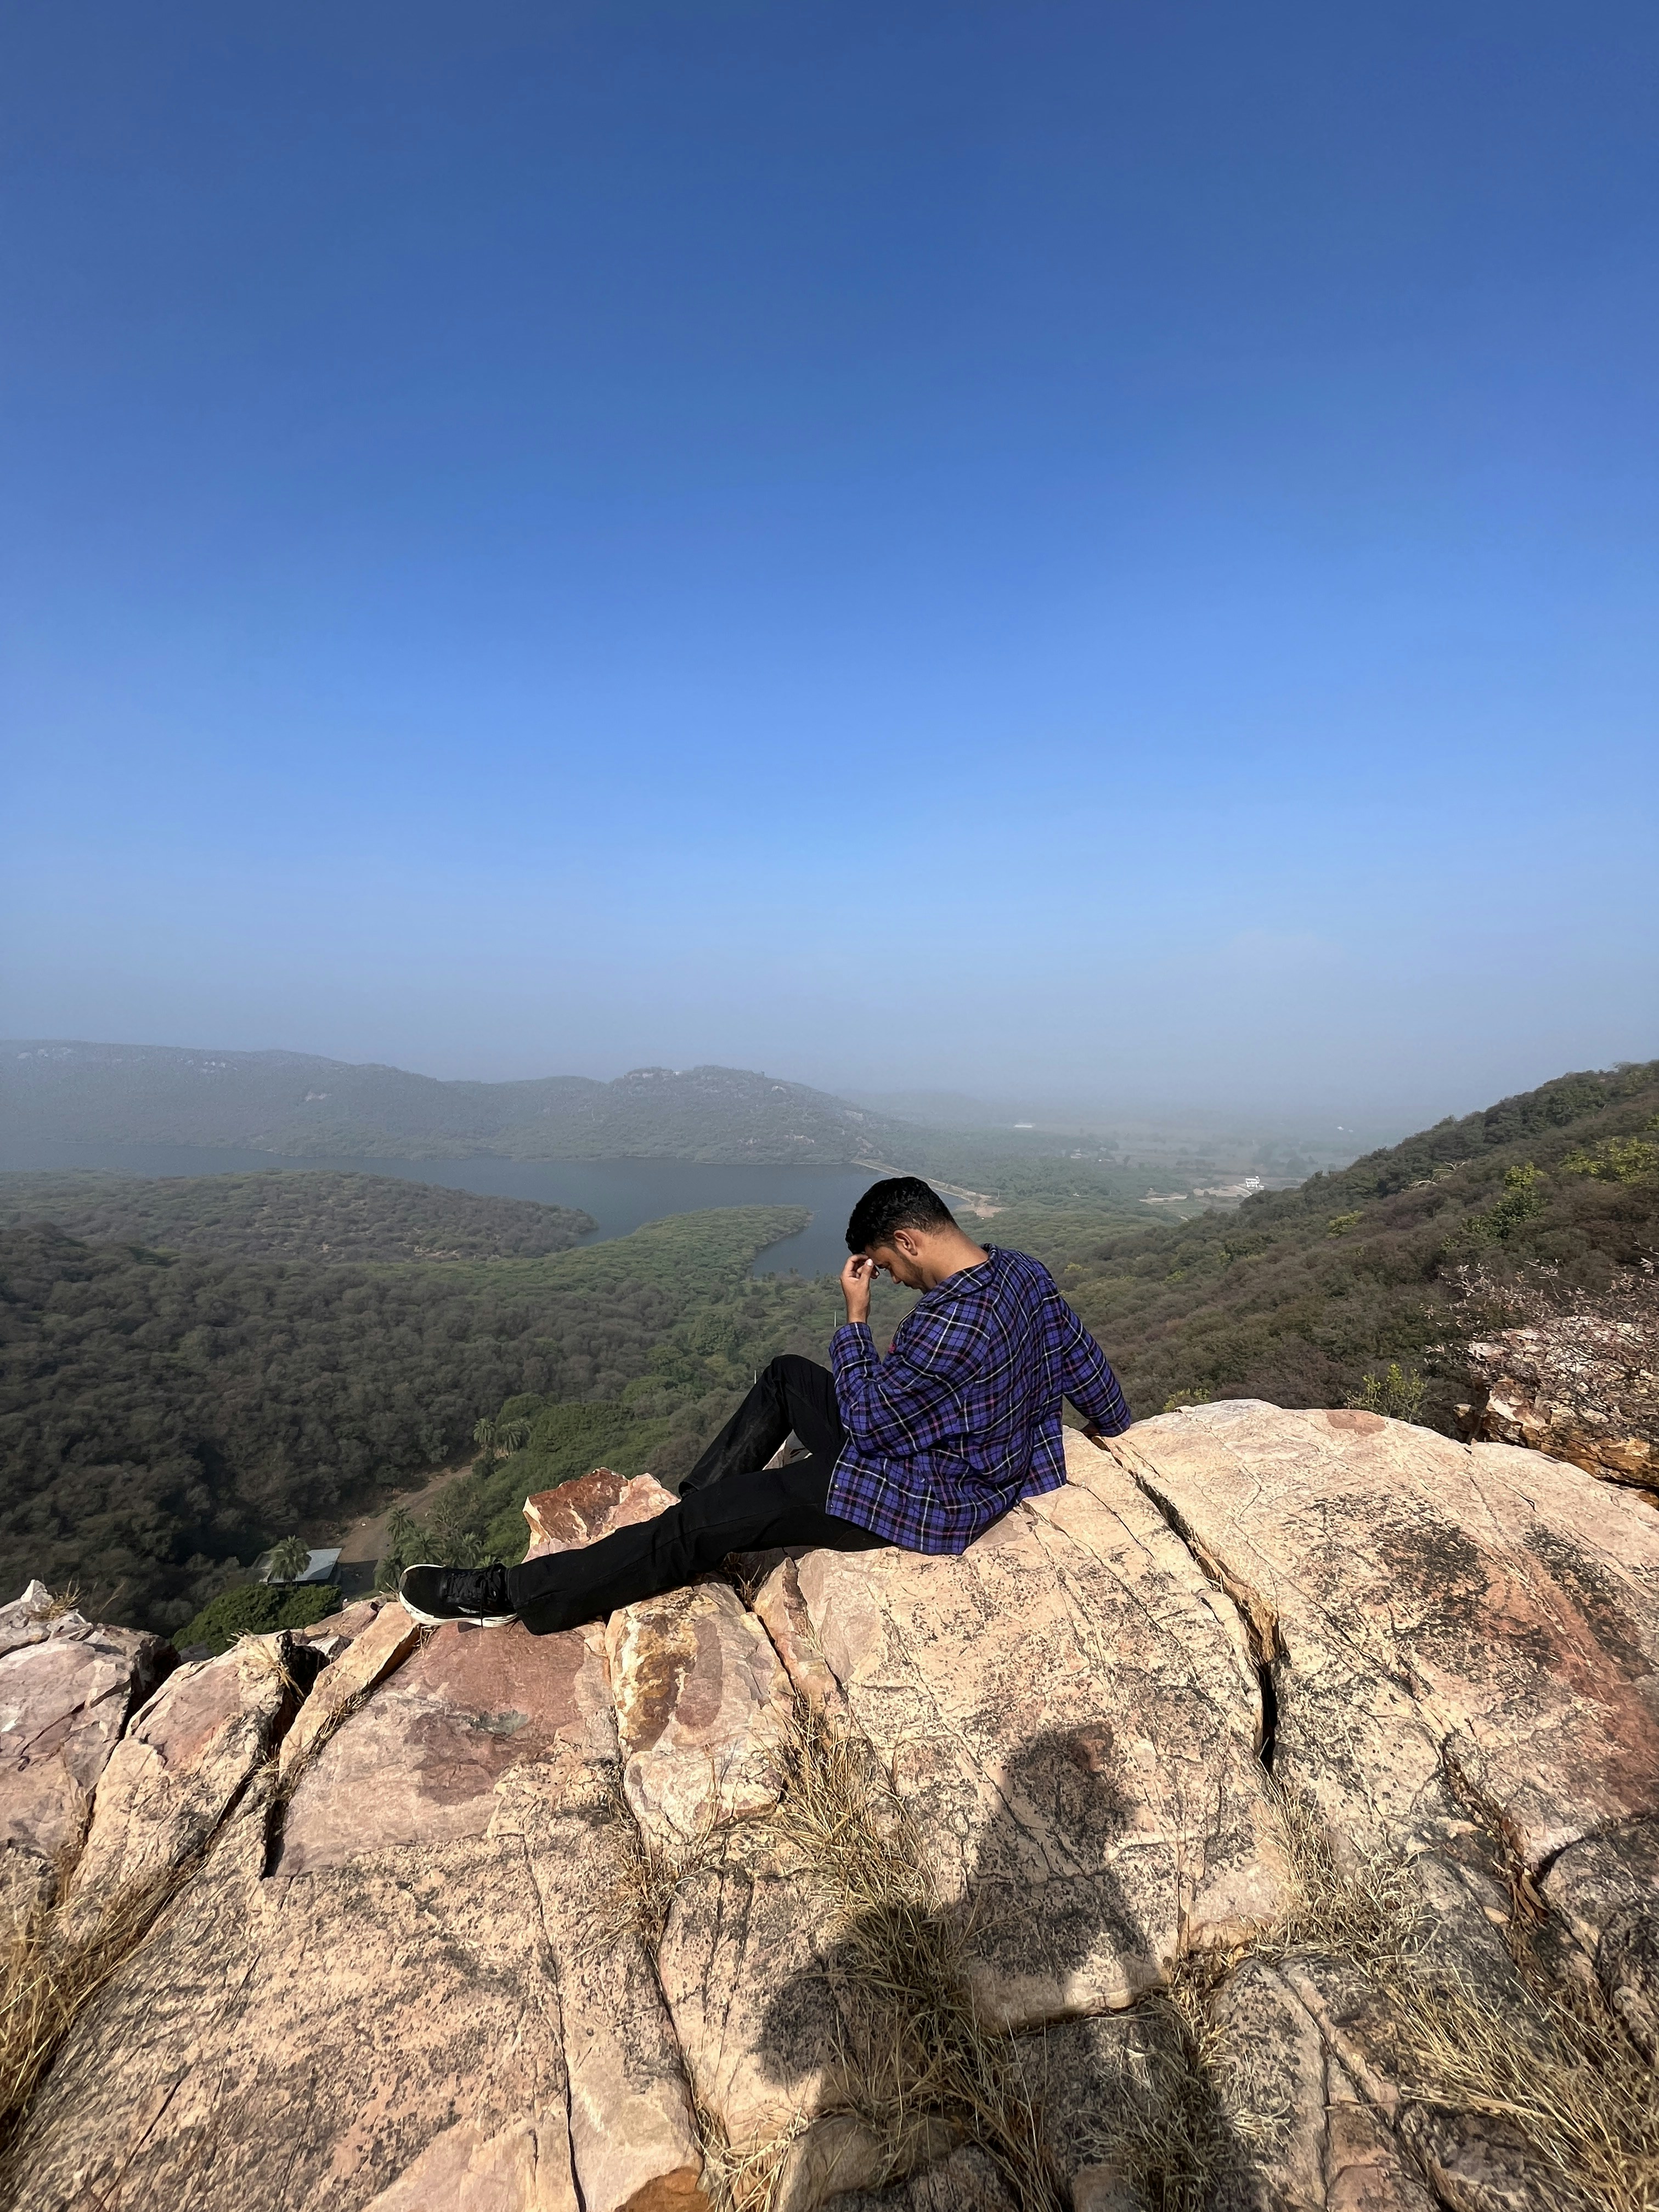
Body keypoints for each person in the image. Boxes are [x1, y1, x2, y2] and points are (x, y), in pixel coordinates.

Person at [399, 1175, 1131, 1633]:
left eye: (884, 1265)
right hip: (941, 1456)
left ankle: (511, 1596)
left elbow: (872, 1426)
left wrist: (854, 1321)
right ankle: (694, 1519)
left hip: (921, 1492)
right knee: (786, 1375)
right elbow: (1081, 1359)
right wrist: (1118, 1425)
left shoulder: (943, 1323)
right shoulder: (1022, 1274)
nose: (890, 1279)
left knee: (712, 1520)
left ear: (909, 1239)